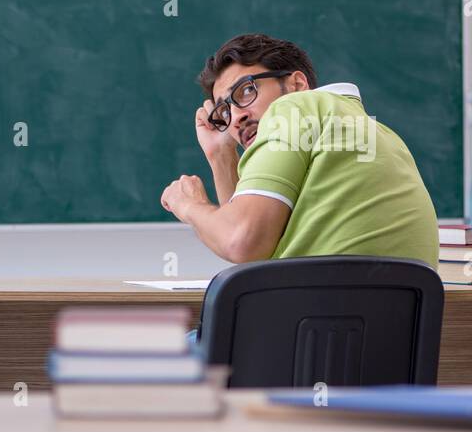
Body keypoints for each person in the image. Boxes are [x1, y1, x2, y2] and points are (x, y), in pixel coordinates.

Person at [159, 33, 439, 269]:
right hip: (389, 331)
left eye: (245, 91)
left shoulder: (292, 109)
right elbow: (254, 261)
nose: (235, 118)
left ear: (297, 85)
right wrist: (221, 157)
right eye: (224, 111)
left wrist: (189, 205)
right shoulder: (381, 136)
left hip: (311, 326)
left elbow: (241, 241)